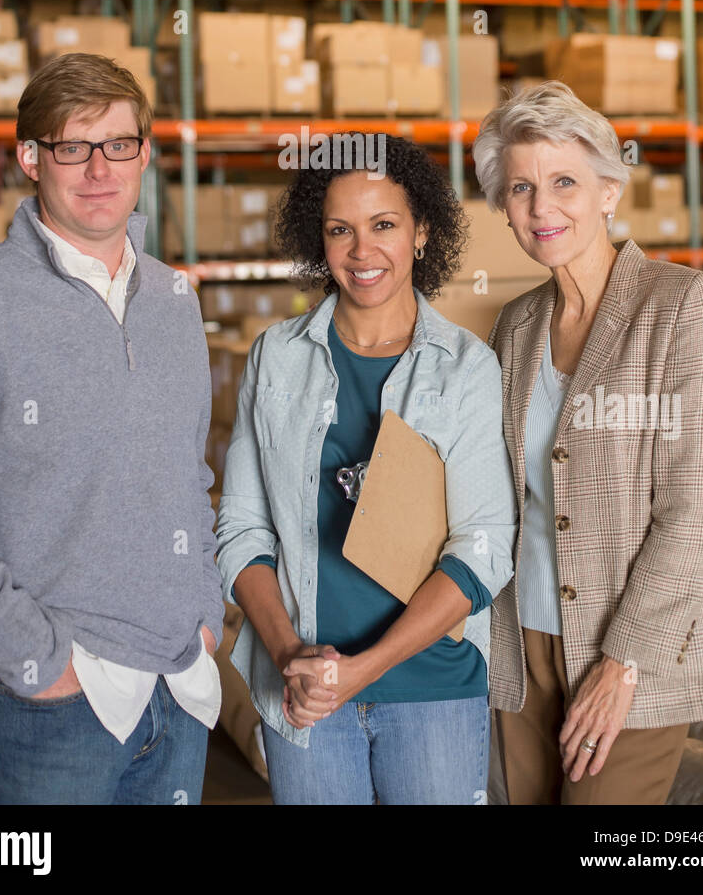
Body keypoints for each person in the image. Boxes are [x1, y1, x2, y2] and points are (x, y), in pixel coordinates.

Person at [0, 52, 223, 805]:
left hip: (175, 690)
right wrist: (37, 659)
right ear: (30, 159)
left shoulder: (174, 302)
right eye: (72, 147)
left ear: (145, 154)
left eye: (118, 144)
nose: (99, 169)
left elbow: (190, 475)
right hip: (35, 711)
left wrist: (203, 614)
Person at [472, 80, 703, 806]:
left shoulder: (682, 306)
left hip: (633, 645)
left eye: (564, 182)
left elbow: (695, 513)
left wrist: (622, 661)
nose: (542, 207)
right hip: (524, 641)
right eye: (520, 188)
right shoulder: (516, 325)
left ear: (609, 190)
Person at [215, 134, 517, 805]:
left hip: (433, 688)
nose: (361, 250)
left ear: (420, 233)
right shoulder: (276, 357)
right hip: (304, 689)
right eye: (339, 230)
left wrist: (365, 668)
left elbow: (484, 546)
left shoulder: (466, 368)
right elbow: (241, 529)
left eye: (383, 225)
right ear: (317, 239)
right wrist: (289, 655)